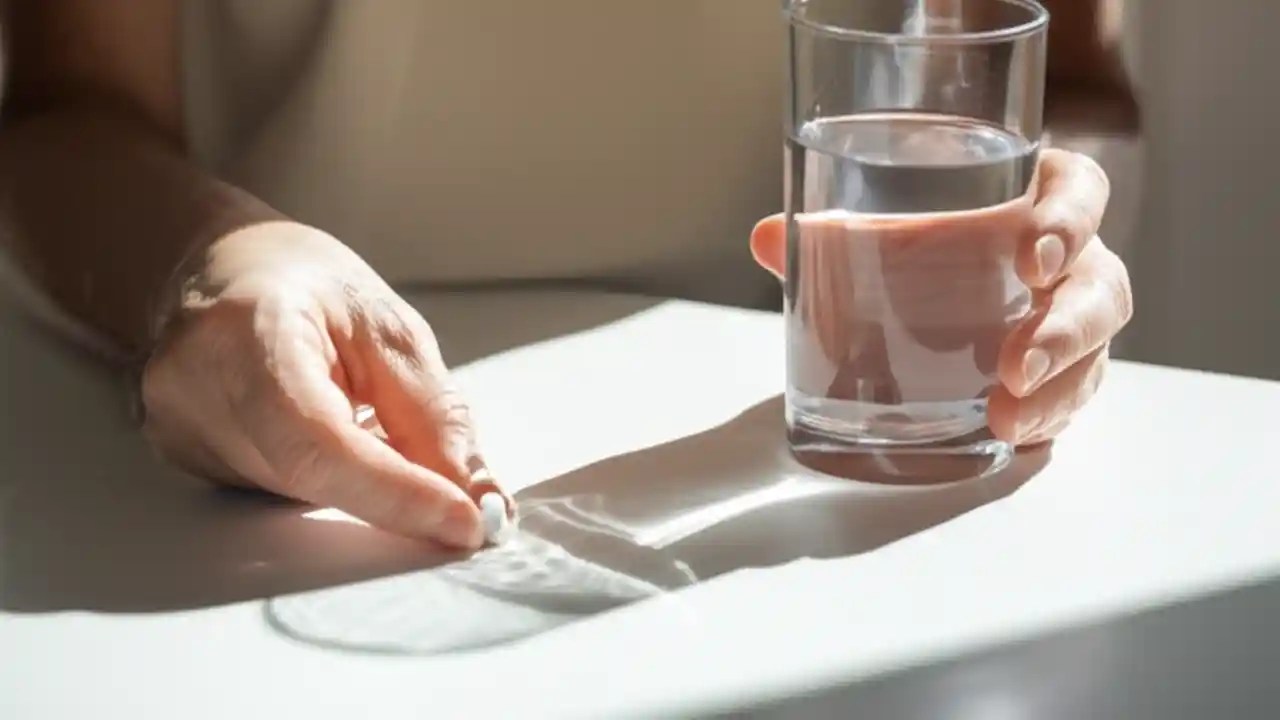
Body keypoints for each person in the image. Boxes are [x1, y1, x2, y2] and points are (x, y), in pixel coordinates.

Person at [0, 1, 1130, 550]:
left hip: (760, 457)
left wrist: (1047, 254)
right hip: (206, 434)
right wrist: (216, 265)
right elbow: (61, 113)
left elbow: (1055, 69)